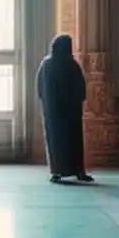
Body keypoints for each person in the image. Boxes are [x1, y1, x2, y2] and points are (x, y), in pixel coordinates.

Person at [37, 34, 93, 183]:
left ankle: (57, 171)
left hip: (54, 113)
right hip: (70, 112)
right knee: (72, 141)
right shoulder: (70, 64)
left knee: (56, 142)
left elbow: (40, 88)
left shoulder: (46, 64)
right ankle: (77, 171)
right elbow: (79, 87)